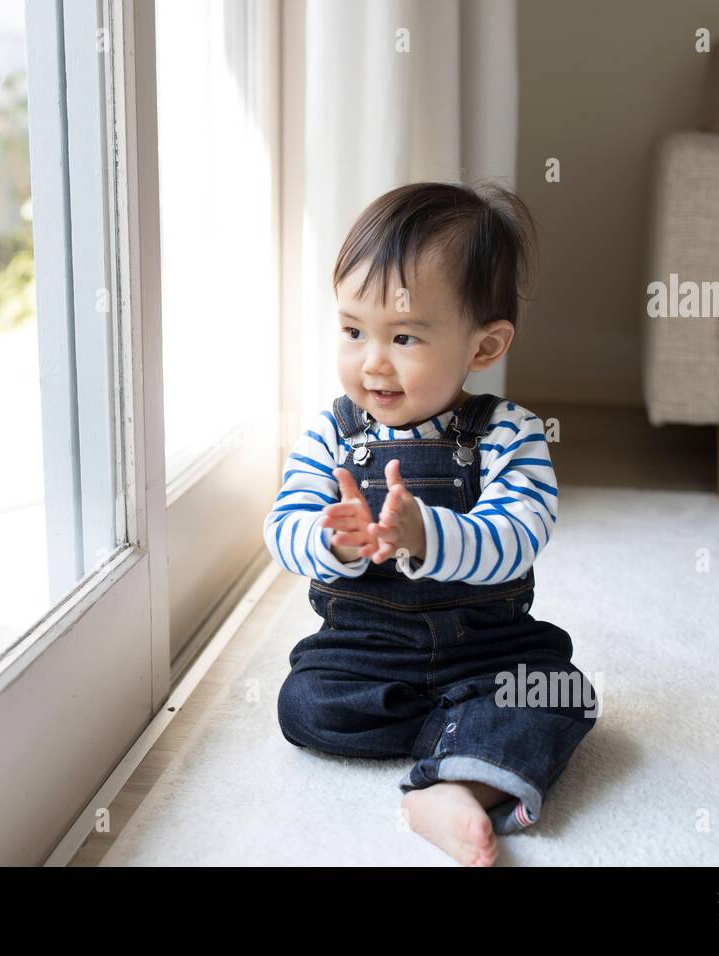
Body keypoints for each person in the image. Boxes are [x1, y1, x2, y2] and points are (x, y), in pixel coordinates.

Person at [264, 181, 598, 866]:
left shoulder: (508, 433)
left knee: (563, 692)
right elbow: (283, 524)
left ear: (484, 347)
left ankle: (453, 788)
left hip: (486, 651)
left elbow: (519, 536)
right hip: (366, 655)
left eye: (405, 336)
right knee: (304, 703)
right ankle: (467, 742)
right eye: (353, 330)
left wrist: (426, 535)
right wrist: (333, 541)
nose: (372, 361)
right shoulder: (332, 431)